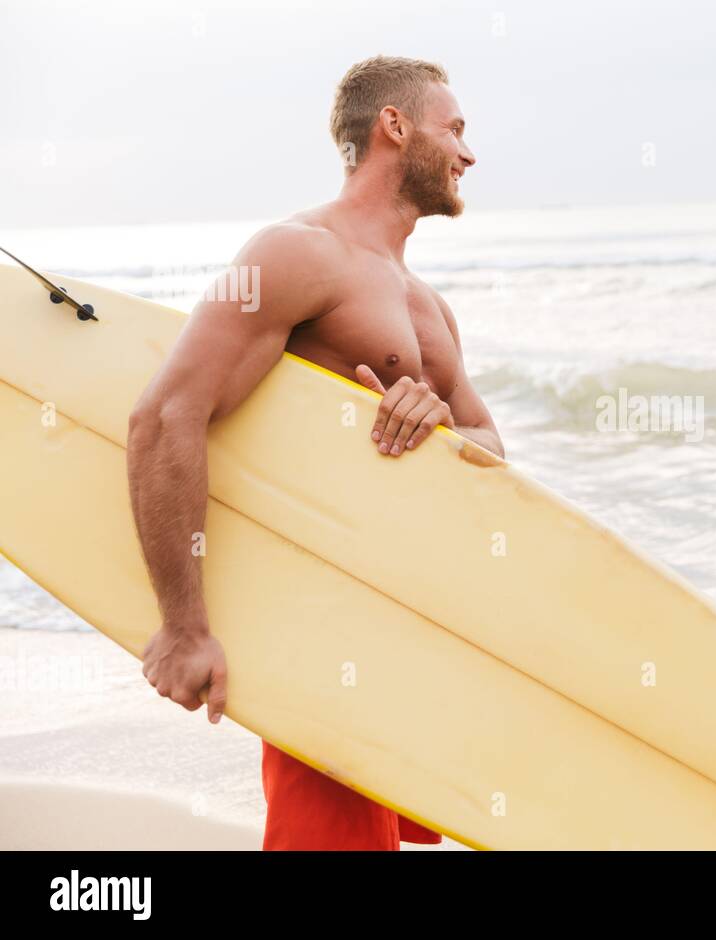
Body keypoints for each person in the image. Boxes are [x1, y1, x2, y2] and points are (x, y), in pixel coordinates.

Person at [127, 54, 502, 850]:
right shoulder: (296, 254)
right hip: (320, 620)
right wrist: (183, 626)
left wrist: (437, 421)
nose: (470, 154)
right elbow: (167, 415)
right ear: (394, 127)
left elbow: (493, 450)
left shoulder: (426, 303)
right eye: (456, 129)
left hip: (403, 617)